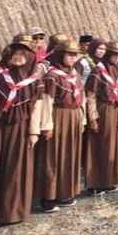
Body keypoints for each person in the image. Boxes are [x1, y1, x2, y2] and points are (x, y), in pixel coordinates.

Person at [0, 34, 44, 230]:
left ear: (30, 57)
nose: (18, 57)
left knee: (15, 169)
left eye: (23, 53)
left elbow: (37, 108)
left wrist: (33, 132)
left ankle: (11, 211)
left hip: (21, 130)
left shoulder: (35, 81)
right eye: (15, 53)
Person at [39, 39, 85, 209]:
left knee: (70, 154)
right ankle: (48, 196)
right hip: (57, 115)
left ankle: (65, 191)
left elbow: (82, 98)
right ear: (60, 55)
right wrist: (47, 124)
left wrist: (82, 118)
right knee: (53, 154)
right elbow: (46, 100)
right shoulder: (52, 75)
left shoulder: (75, 74)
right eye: (69, 54)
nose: (73, 58)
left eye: (75, 55)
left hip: (74, 115)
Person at [84, 40, 118, 194]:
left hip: (115, 110)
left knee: (112, 146)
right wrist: (93, 118)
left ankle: (109, 179)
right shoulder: (98, 71)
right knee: (99, 146)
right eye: (115, 54)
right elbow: (91, 96)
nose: (117, 58)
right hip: (102, 110)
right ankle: (96, 182)